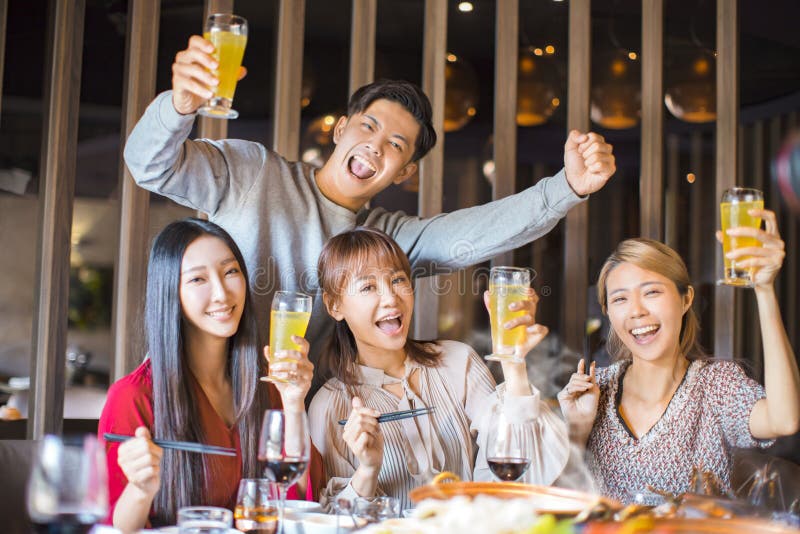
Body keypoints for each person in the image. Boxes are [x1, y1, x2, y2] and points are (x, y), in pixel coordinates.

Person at [123, 35, 617, 393]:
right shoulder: (254, 172)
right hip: (184, 390)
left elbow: (478, 232)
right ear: (341, 129)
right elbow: (149, 165)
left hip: (284, 415)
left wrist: (567, 187)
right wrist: (180, 105)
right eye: (368, 126)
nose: (375, 146)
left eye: (396, 145)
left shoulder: (383, 242)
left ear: (405, 173)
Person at [308, 227, 569, 510]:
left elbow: (511, 475)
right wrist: (368, 470)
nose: (391, 298)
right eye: (368, 287)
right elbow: (333, 521)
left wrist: (513, 363)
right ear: (335, 306)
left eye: (397, 280)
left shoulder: (458, 362)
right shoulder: (329, 406)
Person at [557, 210, 800, 504]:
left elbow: (783, 420)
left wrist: (764, 290)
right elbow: (557, 505)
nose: (636, 311)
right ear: (608, 312)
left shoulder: (714, 386)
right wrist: (576, 431)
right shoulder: (595, 390)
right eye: (620, 299)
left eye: (651, 292)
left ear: (686, 300)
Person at [98, 218, 322, 532]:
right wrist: (140, 489)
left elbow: (296, 499)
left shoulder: (265, 387)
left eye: (230, 272)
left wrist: (294, 402)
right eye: (198, 279)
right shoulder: (133, 396)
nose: (221, 293)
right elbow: (113, 527)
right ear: (170, 292)